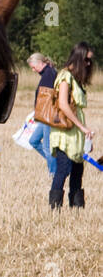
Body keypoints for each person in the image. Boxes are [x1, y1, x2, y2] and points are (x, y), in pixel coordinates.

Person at [48, 42, 96, 209]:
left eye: (90, 61)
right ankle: (55, 209)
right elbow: (63, 104)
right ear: (78, 58)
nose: (88, 64)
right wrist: (82, 127)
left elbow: (78, 110)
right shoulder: (65, 76)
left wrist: (85, 134)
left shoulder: (77, 80)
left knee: (77, 172)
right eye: (86, 60)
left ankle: (77, 209)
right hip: (64, 133)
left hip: (76, 134)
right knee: (63, 170)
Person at [23, 52, 57, 170]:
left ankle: (54, 173)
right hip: (44, 115)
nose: (33, 70)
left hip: (48, 115)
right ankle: (55, 162)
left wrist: (38, 113)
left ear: (41, 63)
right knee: (34, 141)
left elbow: (47, 98)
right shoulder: (48, 73)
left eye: (33, 67)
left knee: (48, 148)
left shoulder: (49, 74)